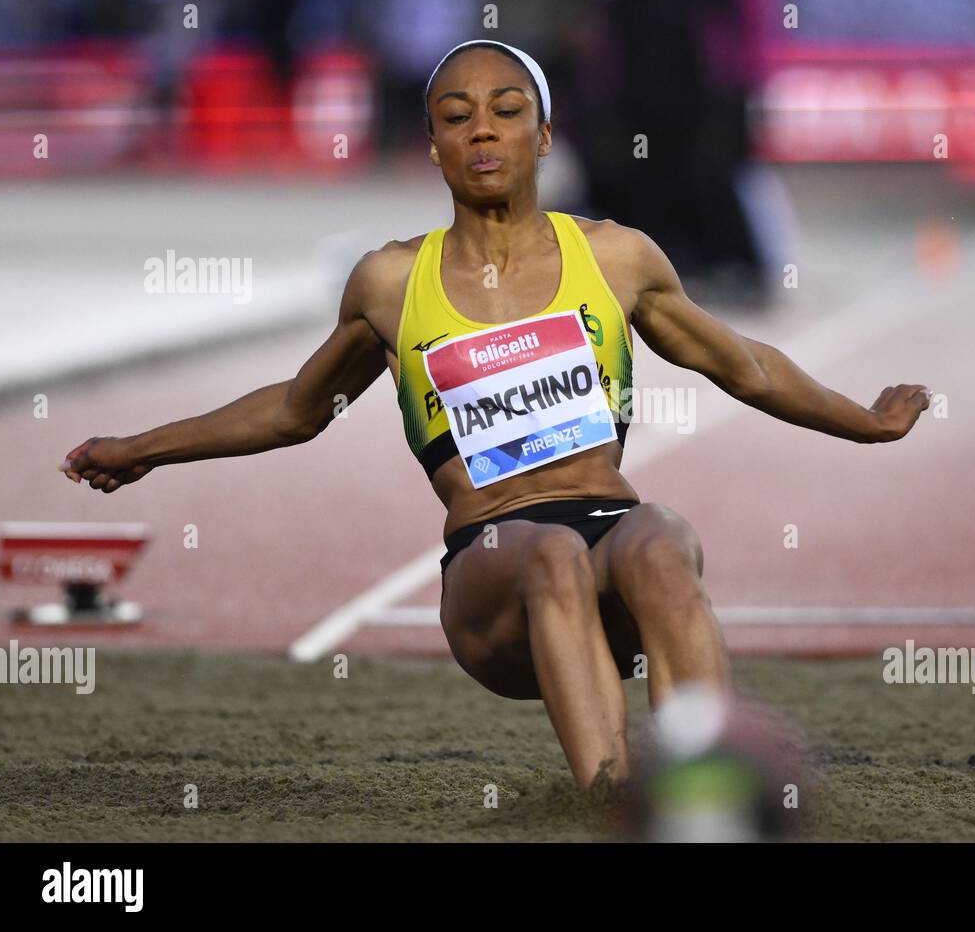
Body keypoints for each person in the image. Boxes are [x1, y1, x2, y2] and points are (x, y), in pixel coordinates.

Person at [60, 40, 931, 789]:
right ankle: (609, 796)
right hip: (494, 575)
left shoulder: (618, 257)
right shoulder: (391, 282)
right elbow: (295, 410)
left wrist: (866, 420)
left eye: (507, 110)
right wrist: (144, 448)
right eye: (455, 116)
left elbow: (744, 366)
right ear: (434, 146)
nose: (482, 129)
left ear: (544, 134)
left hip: (611, 530)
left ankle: (696, 792)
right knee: (549, 550)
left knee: (662, 534)